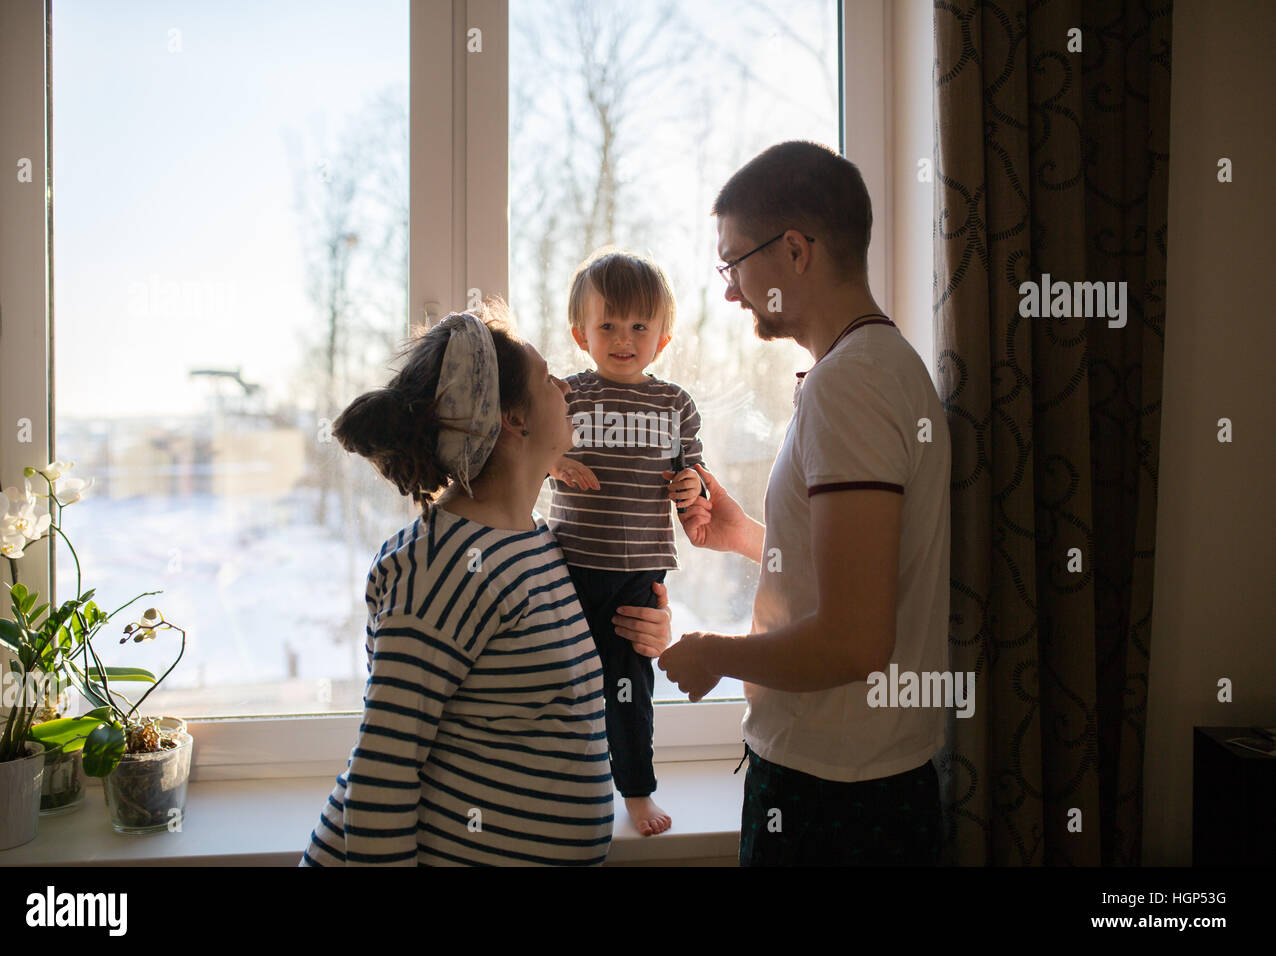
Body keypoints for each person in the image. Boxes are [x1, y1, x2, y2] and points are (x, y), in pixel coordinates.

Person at [658, 140, 951, 866]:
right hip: (867, 783)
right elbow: (865, 574)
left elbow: (855, 640)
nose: (728, 290)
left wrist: (715, 655)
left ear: (794, 251)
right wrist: (747, 537)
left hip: (835, 804)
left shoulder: (850, 385)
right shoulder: (880, 367)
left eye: (733, 263)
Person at [299, 304, 674, 866]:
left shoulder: (538, 545)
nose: (565, 387)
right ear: (514, 419)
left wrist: (645, 629)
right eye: (548, 378)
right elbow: (383, 774)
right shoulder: (438, 566)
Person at [545, 250, 705, 837]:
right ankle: (563, 784)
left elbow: (692, 481)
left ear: (662, 338)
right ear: (580, 333)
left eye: (640, 325)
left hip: (639, 571)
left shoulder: (674, 404)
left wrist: (690, 485)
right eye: (607, 324)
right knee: (564, 681)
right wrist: (555, 461)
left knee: (630, 686)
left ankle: (636, 789)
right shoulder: (567, 395)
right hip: (568, 565)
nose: (623, 338)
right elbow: (528, 455)